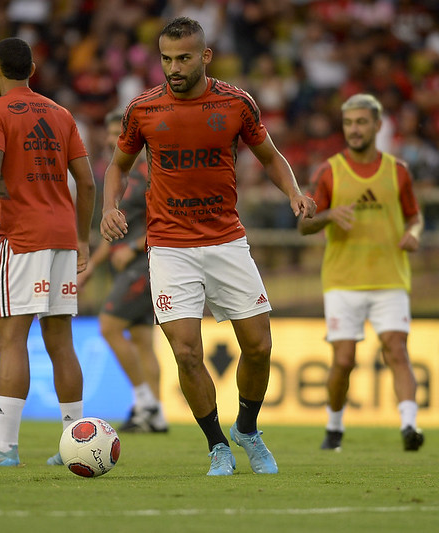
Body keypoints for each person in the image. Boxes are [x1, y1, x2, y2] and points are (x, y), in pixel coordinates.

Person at [100, 17, 316, 476]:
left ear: (205, 56)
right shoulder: (142, 109)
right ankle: (218, 444)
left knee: (258, 347)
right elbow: (118, 166)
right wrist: (108, 207)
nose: (173, 68)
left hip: (226, 240)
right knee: (185, 352)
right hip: (169, 247)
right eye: (166, 59)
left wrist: (294, 193)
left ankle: (248, 429)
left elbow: (271, 157)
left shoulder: (237, 103)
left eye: (183, 58)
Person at [0, 37, 95, 467]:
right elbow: (87, 183)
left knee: (10, 338)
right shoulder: (61, 113)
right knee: (60, 341)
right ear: (32, 70)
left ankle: (4, 447)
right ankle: (76, 441)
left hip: (23, 237)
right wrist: (84, 239)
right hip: (62, 237)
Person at [297, 93, 425, 452]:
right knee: (343, 360)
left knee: (397, 351)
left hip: (390, 278)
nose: (354, 129)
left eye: (362, 122)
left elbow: (414, 216)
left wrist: (413, 234)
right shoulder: (328, 171)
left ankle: (409, 427)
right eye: (349, 123)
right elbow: (303, 226)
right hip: (343, 280)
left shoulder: (397, 171)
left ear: (378, 125)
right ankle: (334, 427)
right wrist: (327, 216)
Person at [78, 109, 167, 434]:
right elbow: (112, 234)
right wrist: (90, 269)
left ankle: (146, 403)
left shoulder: (148, 172)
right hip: (130, 266)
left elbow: (167, 218)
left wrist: (133, 247)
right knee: (143, 340)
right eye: (110, 132)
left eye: (120, 132)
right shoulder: (118, 175)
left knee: (109, 327)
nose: (113, 138)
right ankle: (156, 415)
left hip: (144, 264)